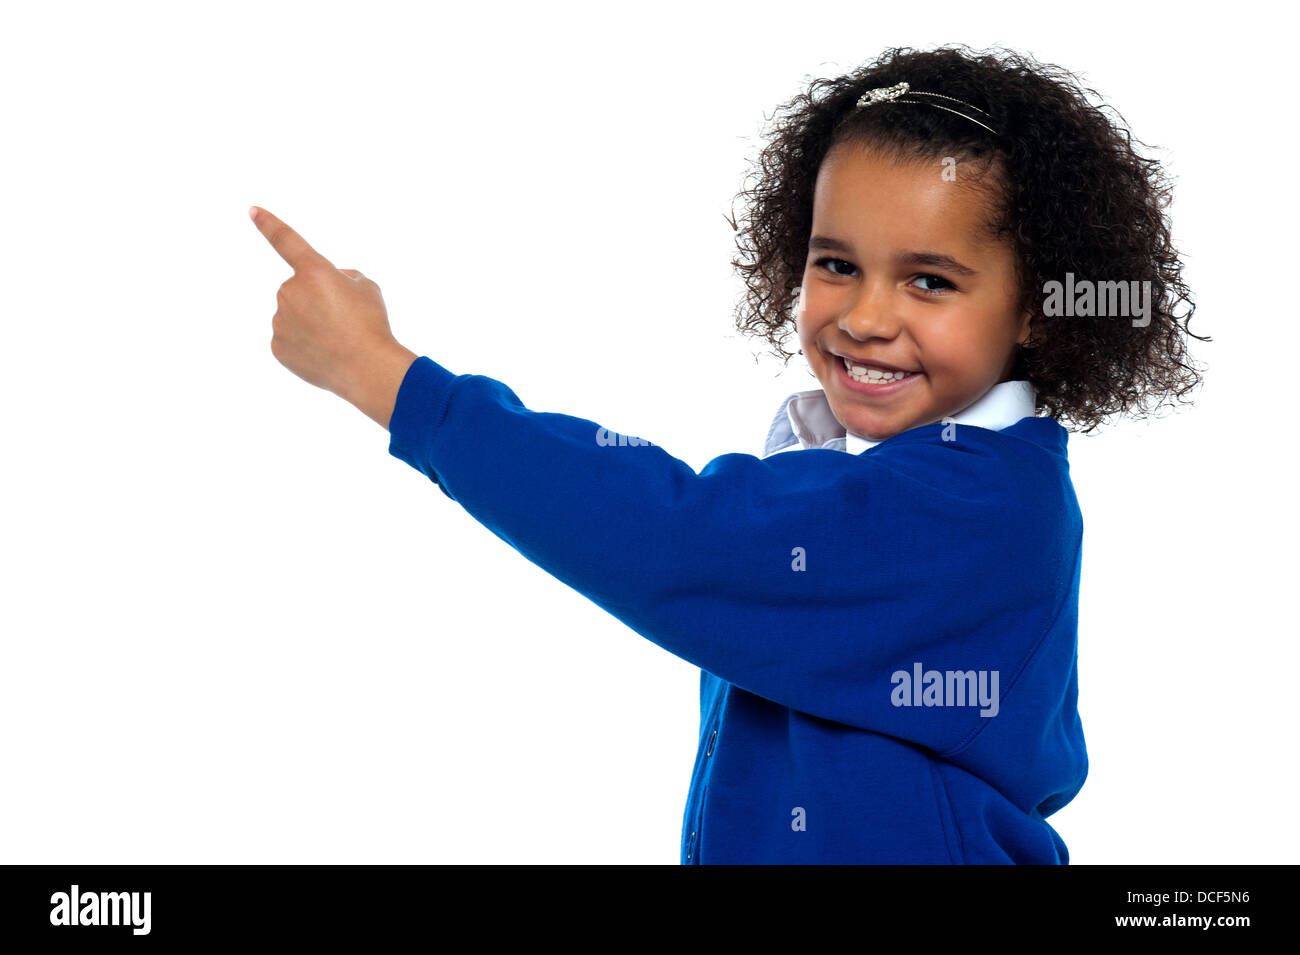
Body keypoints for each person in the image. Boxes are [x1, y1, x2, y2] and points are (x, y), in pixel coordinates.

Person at [251, 44, 1206, 864]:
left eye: (929, 279)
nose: (867, 318)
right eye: (836, 264)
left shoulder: (978, 510)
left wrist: (385, 376)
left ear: (1036, 305)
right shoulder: (878, 472)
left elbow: (673, 538)